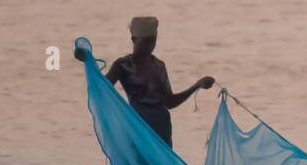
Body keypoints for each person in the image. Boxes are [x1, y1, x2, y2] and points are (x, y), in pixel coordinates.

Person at [76, 16, 214, 148]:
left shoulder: (159, 65)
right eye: (146, 40)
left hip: (162, 131)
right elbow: (102, 88)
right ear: (134, 39)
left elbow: (169, 102)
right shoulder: (123, 65)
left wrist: (197, 85)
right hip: (138, 131)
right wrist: (88, 62)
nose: (150, 45)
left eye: (153, 40)